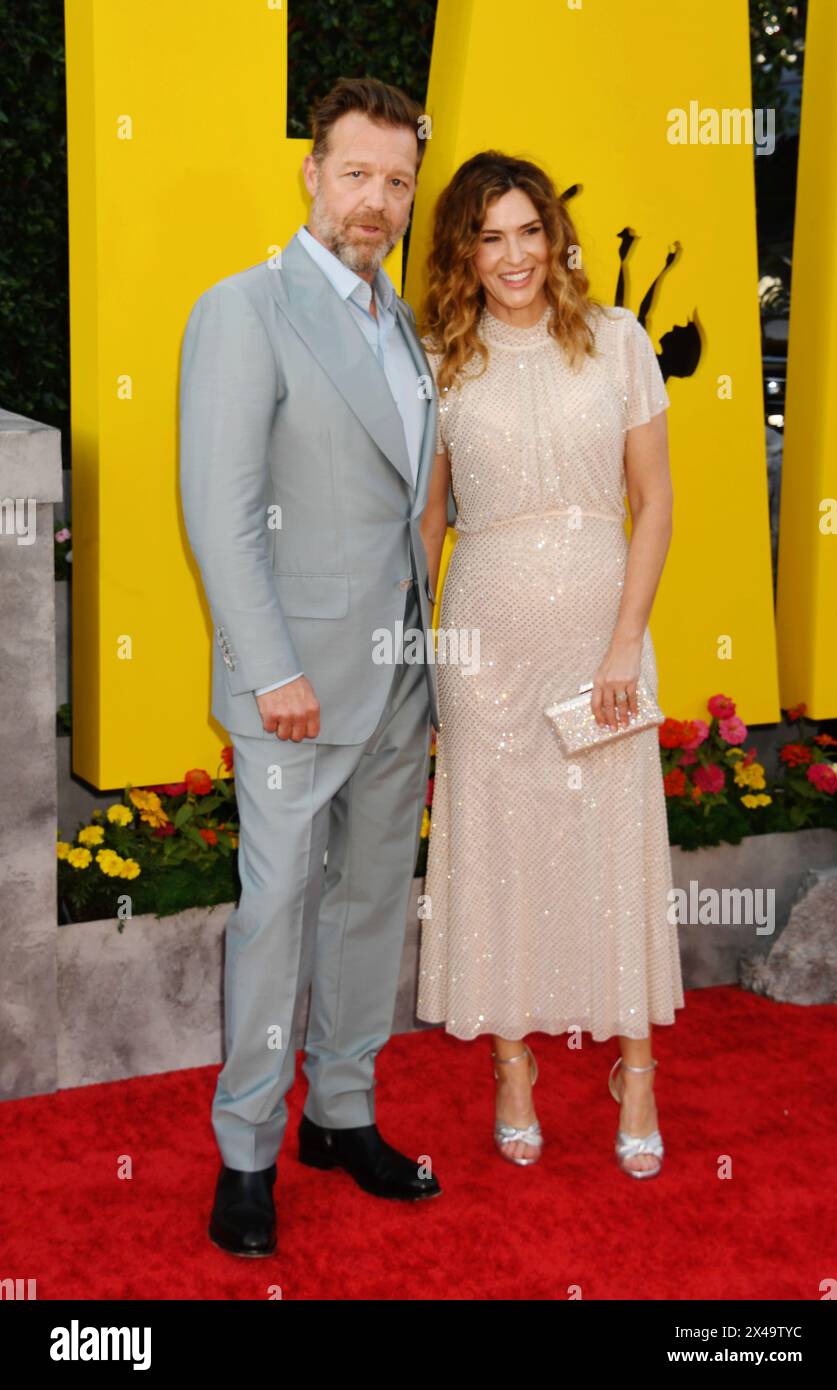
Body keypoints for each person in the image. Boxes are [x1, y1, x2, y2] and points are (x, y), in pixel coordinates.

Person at [179, 77, 442, 1258]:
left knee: (369, 902)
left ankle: (340, 1112)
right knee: (275, 912)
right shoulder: (245, 309)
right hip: (295, 689)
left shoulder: (409, 331)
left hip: (397, 676)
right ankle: (245, 1149)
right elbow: (218, 514)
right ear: (312, 173)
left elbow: (409, 509)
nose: (376, 201)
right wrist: (271, 667)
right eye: (356, 174)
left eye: (397, 180)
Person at [416, 151, 685, 1178]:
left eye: (530, 230)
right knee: (501, 847)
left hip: (598, 635)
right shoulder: (443, 357)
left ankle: (638, 1067)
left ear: (557, 237)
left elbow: (653, 501)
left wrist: (626, 642)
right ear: (464, 253)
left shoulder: (618, 341)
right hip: (484, 644)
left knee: (612, 840)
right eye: (491, 236)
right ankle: (514, 1064)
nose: (514, 254)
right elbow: (431, 523)